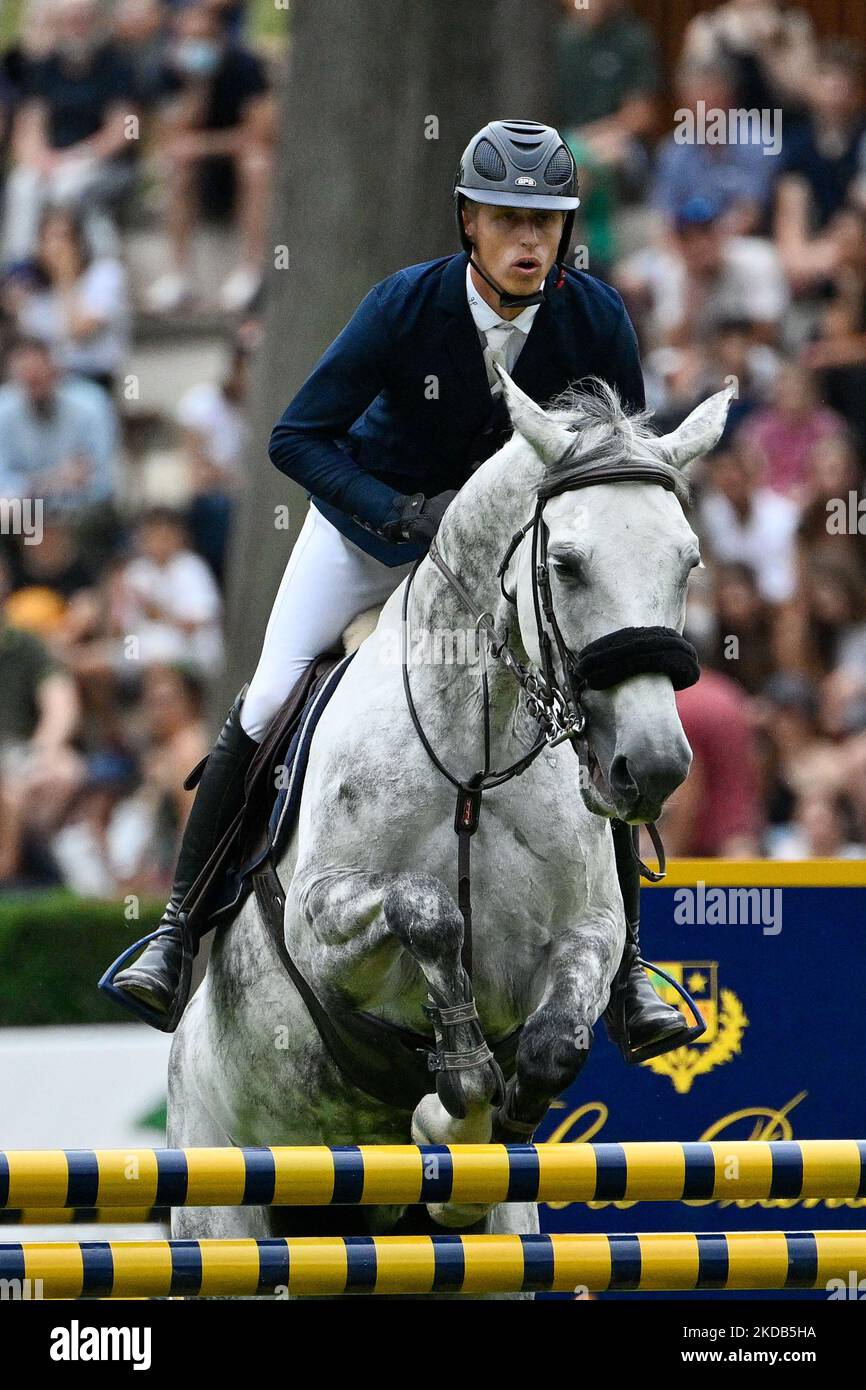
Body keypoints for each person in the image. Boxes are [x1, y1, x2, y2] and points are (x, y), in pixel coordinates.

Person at [110, 118, 692, 1068]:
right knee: (268, 696)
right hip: (374, 536)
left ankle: (624, 968)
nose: (529, 241)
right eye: (508, 219)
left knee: (594, 706)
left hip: (511, 561)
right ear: (468, 220)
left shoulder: (596, 321)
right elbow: (294, 437)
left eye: (546, 222)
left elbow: (617, 467)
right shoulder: (404, 307)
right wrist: (401, 513)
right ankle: (178, 932)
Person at [144, 0, 275, 314]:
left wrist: (202, 146)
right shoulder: (168, 70)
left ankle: (250, 270)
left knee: (257, 164)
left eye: (203, 36)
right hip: (200, 172)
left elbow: (259, 134)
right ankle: (177, 275)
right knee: (176, 166)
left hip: (237, 165)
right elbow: (170, 137)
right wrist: (196, 87)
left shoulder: (246, 66)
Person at [2, 0, 140, 263]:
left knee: (71, 189)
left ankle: (103, 266)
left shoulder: (120, 66)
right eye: (70, 20)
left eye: (83, 19)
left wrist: (84, 155)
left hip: (106, 163)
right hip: (55, 159)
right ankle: (20, 265)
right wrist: (39, 157)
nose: (77, 28)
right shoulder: (44, 69)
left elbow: (129, 128)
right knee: (22, 184)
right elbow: (29, 122)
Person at [0, 336, 119, 518]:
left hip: (83, 511)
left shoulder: (92, 403)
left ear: (57, 372)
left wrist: (34, 484)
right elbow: (3, 480)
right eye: (26, 379)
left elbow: (100, 478)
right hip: (24, 512)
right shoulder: (4, 409)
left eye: (38, 377)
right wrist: (52, 480)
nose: (33, 385)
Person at [15, 206, 130, 392]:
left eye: (64, 237)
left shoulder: (106, 274)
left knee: (121, 391)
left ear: (80, 242)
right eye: (49, 239)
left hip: (104, 380)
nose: (57, 247)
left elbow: (80, 332)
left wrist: (65, 278)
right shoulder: (34, 294)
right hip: (51, 387)